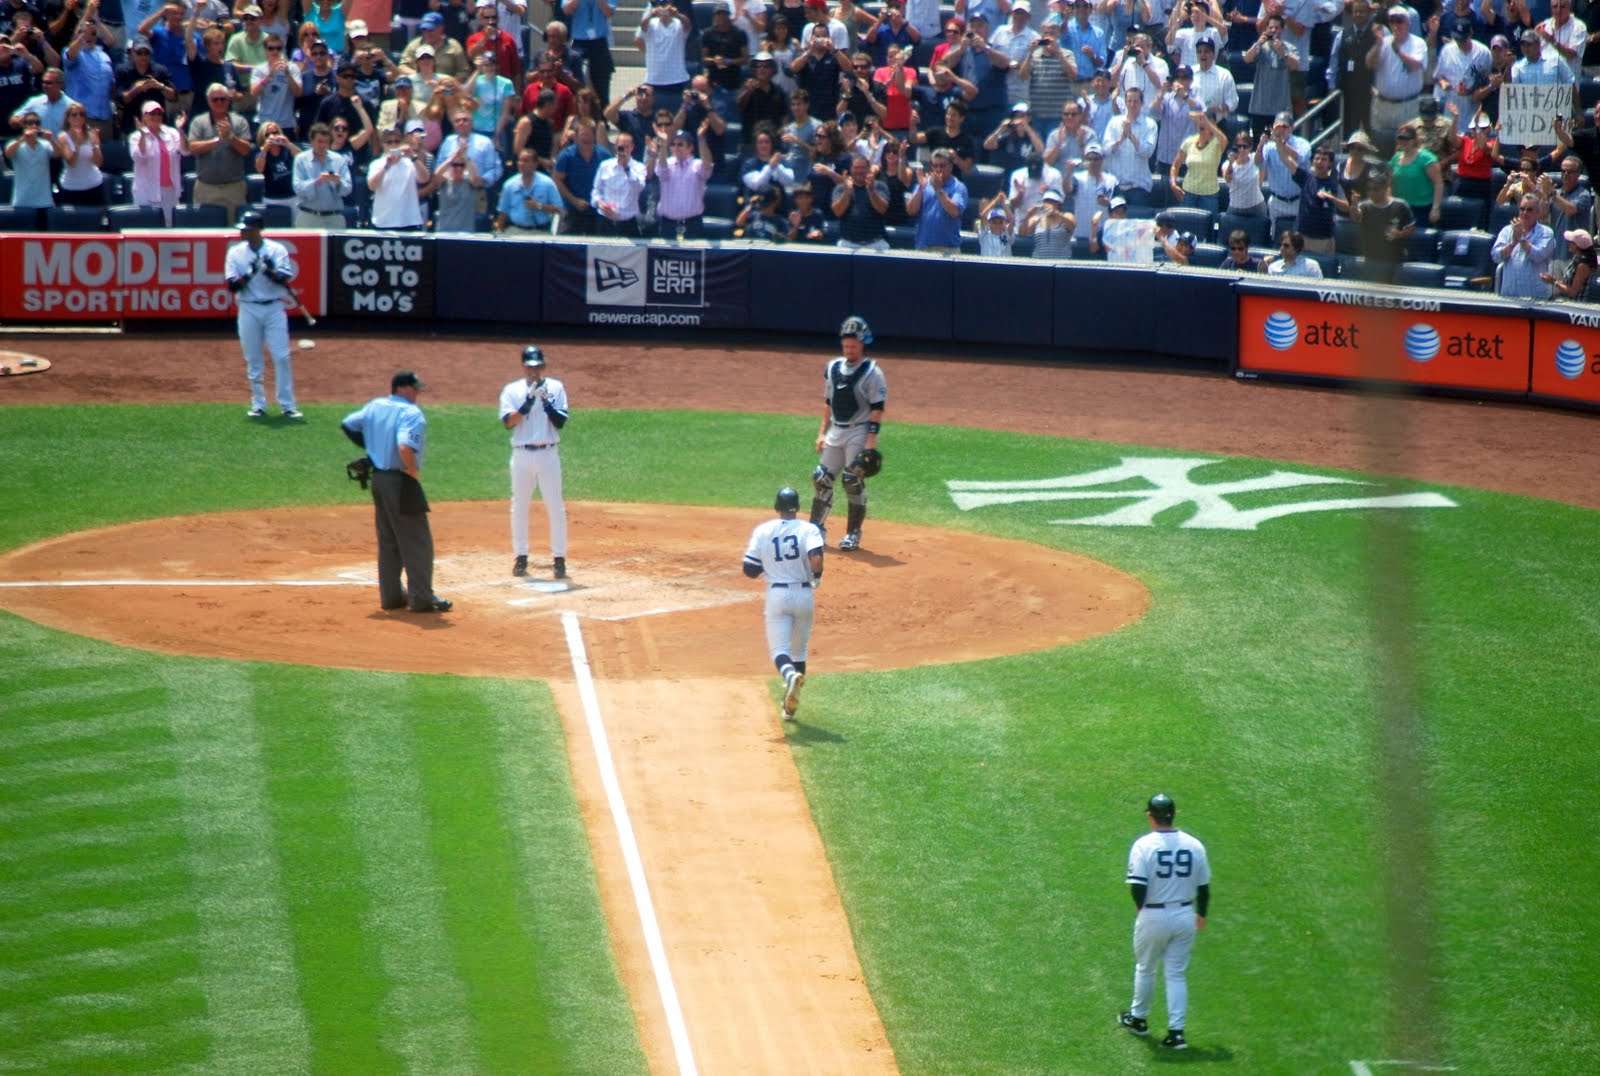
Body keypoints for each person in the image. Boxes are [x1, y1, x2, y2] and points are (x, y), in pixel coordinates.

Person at [340, 371, 452, 614]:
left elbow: (348, 424)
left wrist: (372, 448)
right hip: (401, 481)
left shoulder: (375, 406)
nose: (417, 393)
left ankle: (391, 598)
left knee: (389, 539)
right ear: (401, 388)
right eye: (414, 388)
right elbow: (405, 446)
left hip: (379, 480)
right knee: (417, 542)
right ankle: (421, 599)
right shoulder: (410, 413)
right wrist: (412, 472)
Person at [1118, 793, 1211, 1052]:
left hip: (1154, 914)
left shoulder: (1143, 845)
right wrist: (1201, 914)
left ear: (1151, 816)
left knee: (1146, 968)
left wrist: (1142, 910)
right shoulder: (1194, 845)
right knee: (1176, 974)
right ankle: (1177, 1034)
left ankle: (1139, 1020)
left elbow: (1137, 885)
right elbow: (1204, 886)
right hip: (1184, 915)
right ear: (1173, 814)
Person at [742, 486, 825, 722]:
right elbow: (816, 559)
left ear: (777, 507)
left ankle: (789, 677)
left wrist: (767, 564)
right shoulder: (809, 529)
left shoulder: (763, 530)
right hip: (804, 595)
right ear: (798, 507)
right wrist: (816, 577)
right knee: (798, 651)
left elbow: (749, 569)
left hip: (777, 596)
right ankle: (790, 708)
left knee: (779, 652)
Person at [809, 315, 885, 551]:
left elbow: (877, 410)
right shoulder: (833, 368)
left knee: (852, 480)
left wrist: (869, 444)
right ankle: (816, 531)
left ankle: (853, 533)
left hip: (858, 432)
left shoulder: (872, 372)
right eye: (846, 345)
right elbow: (828, 403)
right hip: (836, 430)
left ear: (862, 344)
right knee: (821, 477)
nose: (849, 349)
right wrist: (822, 433)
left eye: (853, 345)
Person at [499, 346, 570, 580]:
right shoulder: (511, 390)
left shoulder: (556, 387)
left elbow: (560, 422)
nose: (534, 370)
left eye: (538, 366)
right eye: (530, 366)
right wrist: (527, 403)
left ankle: (559, 560)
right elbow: (509, 423)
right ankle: (521, 557)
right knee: (519, 506)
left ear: (543, 366)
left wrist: (545, 400)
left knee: (555, 506)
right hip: (521, 456)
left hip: (548, 455)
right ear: (523, 366)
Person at [225, 210, 300, 420]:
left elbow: (283, 278)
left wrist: (269, 270)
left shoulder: (277, 250)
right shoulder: (235, 252)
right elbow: (232, 285)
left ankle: (287, 405)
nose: (242, 233)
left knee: (282, 356)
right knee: (253, 359)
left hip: (274, 307)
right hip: (248, 308)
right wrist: (250, 273)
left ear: (257, 230)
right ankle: (258, 404)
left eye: (247, 230)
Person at [188, 81, 253, 221]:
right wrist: (217, 141)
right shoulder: (198, 122)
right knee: (206, 232)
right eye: (215, 99)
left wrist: (230, 137)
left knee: (234, 232)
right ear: (208, 101)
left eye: (222, 99)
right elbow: (193, 148)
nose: (219, 102)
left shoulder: (239, 121)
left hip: (233, 188)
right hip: (206, 188)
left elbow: (246, 150)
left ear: (229, 100)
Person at [1366, 5, 1427, 136]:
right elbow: (1370, 63)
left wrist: (1398, 50)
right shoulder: (1384, 42)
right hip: (1383, 105)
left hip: (1407, 106)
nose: (1395, 25)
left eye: (1399, 21)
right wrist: (1378, 44)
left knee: (1406, 145)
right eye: (1392, 21)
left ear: (1408, 23)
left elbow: (1415, 66)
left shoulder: (1418, 43)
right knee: (1380, 145)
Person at [1352, 168, 1413, 283]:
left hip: (1395, 261)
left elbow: (1411, 229)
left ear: (1385, 188)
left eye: (1376, 189)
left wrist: (1399, 234)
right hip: (1371, 260)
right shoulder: (1365, 206)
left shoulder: (1400, 206)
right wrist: (1354, 205)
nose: (1372, 193)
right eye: (1369, 189)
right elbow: (1355, 216)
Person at [130, 99, 185, 224]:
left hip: (169, 191)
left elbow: (185, 151)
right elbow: (138, 157)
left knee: (170, 230)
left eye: (159, 114)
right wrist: (143, 136)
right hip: (146, 191)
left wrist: (181, 130)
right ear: (144, 116)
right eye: (152, 113)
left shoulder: (172, 133)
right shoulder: (136, 136)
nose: (156, 116)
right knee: (146, 230)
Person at [1492, 193, 1555, 299]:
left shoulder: (1546, 233)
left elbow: (1538, 256)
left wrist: (1521, 239)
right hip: (1510, 297)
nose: (1525, 213)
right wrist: (1512, 244)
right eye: (1522, 209)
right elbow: (1496, 256)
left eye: (1529, 210)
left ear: (1537, 213)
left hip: (1536, 300)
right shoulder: (1507, 231)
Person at [292, 121, 354, 226]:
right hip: (308, 217)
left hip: (334, 217)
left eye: (326, 142)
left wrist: (338, 182)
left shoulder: (339, 160)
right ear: (311, 141)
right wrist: (317, 181)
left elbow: (347, 189)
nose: (323, 145)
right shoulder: (301, 159)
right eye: (319, 141)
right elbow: (298, 187)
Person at [367, 125, 428, 229]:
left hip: (409, 222)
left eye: (397, 141)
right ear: (383, 145)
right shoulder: (376, 164)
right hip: (384, 222)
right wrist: (386, 166)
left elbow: (424, 178)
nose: (393, 145)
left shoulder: (410, 163)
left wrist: (413, 157)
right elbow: (372, 186)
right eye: (389, 142)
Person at [906, 147, 966, 252]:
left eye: (942, 166)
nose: (938, 169)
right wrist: (920, 188)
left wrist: (939, 189)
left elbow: (955, 211)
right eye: (935, 166)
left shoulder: (958, 187)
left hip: (948, 248)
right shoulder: (924, 184)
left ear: (950, 167)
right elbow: (911, 211)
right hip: (923, 247)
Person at [5, 110, 58, 224]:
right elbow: (8, 153)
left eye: (37, 123)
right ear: (24, 125)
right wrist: (23, 138)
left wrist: (51, 139)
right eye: (30, 123)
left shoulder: (46, 145)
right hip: (22, 201)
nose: (34, 126)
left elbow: (57, 154)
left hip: (44, 202)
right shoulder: (16, 144)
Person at [494, 146, 561, 233]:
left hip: (540, 231)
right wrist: (499, 232)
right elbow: (503, 212)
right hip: (515, 230)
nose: (521, 164)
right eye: (520, 160)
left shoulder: (547, 183)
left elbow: (559, 209)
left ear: (535, 164)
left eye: (526, 161)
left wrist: (539, 206)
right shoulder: (509, 184)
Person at [54, 102, 105, 206]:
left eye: (81, 114)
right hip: (71, 188)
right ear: (68, 118)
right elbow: (71, 162)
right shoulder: (63, 137)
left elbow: (98, 163)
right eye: (74, 114)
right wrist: (77, 146)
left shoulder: (92, 135)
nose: (78, 117)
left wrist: (95, 145)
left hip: (94, 186)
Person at [1542, 227, 1597, 299]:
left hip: (1577, 306)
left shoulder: (1583, 266)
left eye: (1571, 242)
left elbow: (1573, 292)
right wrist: (1552, 280)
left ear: (1577, 245)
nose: (1569, 244)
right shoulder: (1576, 259)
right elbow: (1567, 283)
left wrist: (1554, 282)